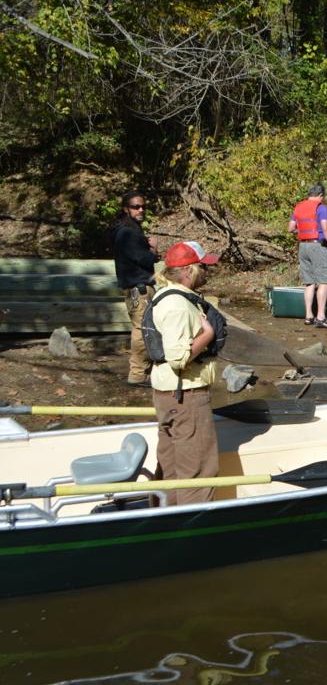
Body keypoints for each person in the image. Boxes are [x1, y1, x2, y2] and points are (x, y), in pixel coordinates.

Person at [150, 241, 221, 505]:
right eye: (203, 267)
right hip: (186, 396)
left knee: (172, 467)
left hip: (168, 395)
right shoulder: (178, 305)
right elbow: (178, 357)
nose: (207, 272)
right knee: (199, 470)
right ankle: (193, 526)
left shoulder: (163, 295)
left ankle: (167, 516)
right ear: (189, 271)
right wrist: (208, 334)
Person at [111, 190, 158, 387]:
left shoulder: (128, 229)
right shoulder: (128, 232)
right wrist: (154, 248)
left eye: (143, 206)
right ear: (126, 209)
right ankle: (138, 374)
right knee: (142, 330)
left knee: (144, 328)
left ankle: (143, 371)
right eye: (136, 207)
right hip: (139, 289)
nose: (141, 210)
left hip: (138, 287)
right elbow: (144, 258)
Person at [288, 183, 327, 328]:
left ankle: (309, 316)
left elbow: (291, 228)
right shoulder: (321, 207)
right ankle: (321, 318)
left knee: (309, 282)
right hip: (317, 246)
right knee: (324, 281)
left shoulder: (298, 207)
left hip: (303, 246)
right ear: (320, 195)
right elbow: (325, 227)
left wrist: (305, 233)